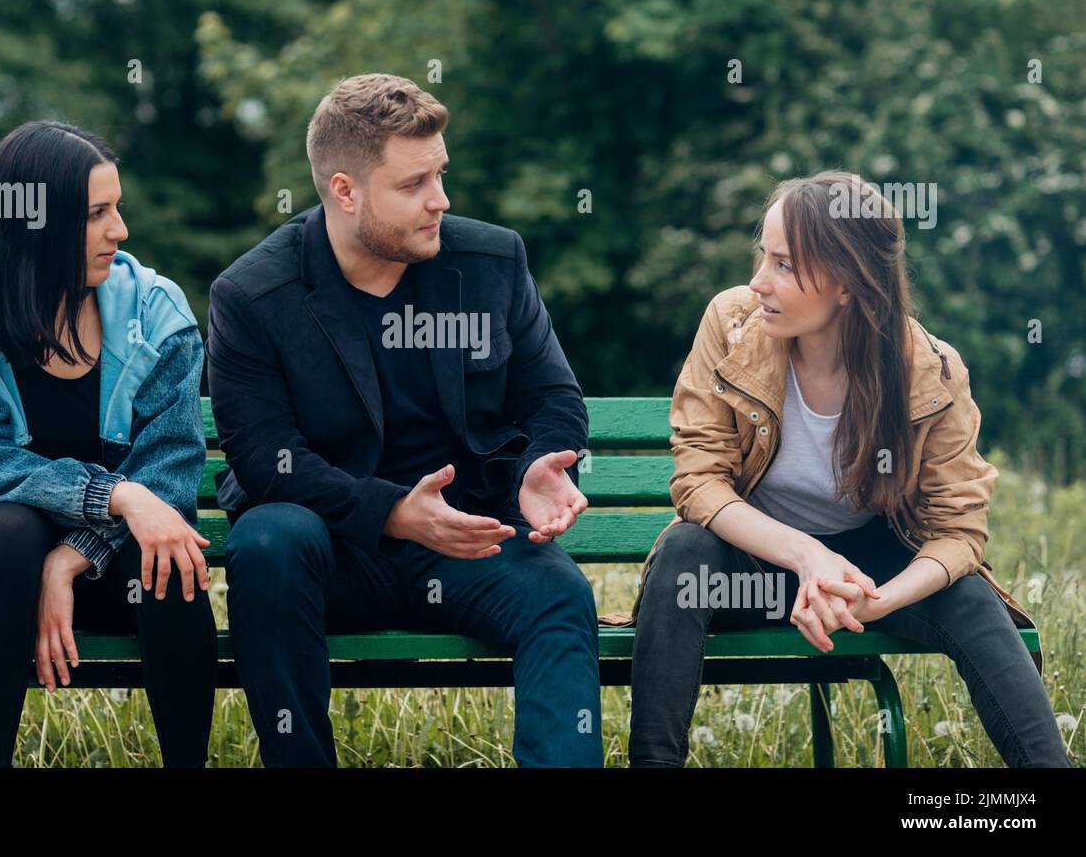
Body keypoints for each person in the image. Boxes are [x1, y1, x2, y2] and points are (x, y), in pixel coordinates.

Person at [207, 73, 600, 767]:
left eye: (441, 174)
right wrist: (392, 511)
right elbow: (267, 461)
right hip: (332, 550)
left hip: (466, 536)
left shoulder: (491, 261)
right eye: (415, 183)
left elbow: (553, 396)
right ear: (345, 190)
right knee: (267, 542)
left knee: (558, 592)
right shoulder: (253, 295)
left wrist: (544, 459)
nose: (440, 200)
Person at [627, 170, 1069, 767]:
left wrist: (879, 601)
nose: (759, 281)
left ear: (848, 284)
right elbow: (698, 482)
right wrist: (806, 556)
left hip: (868, 574)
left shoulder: (930, 371)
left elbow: (958, 533)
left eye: (785, 265)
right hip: (759, 563)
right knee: (684, 553)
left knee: (970, 598)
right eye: (764, 256)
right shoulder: (732, 325)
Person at [0, 121, 218, 767]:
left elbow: (171, 471)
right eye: (98, 212)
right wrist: (114, 492)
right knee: (12, 528)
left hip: (112, 562)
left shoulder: (155, 311)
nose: (120, 229)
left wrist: (73, 554)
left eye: (117, 206)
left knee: (172, 556)